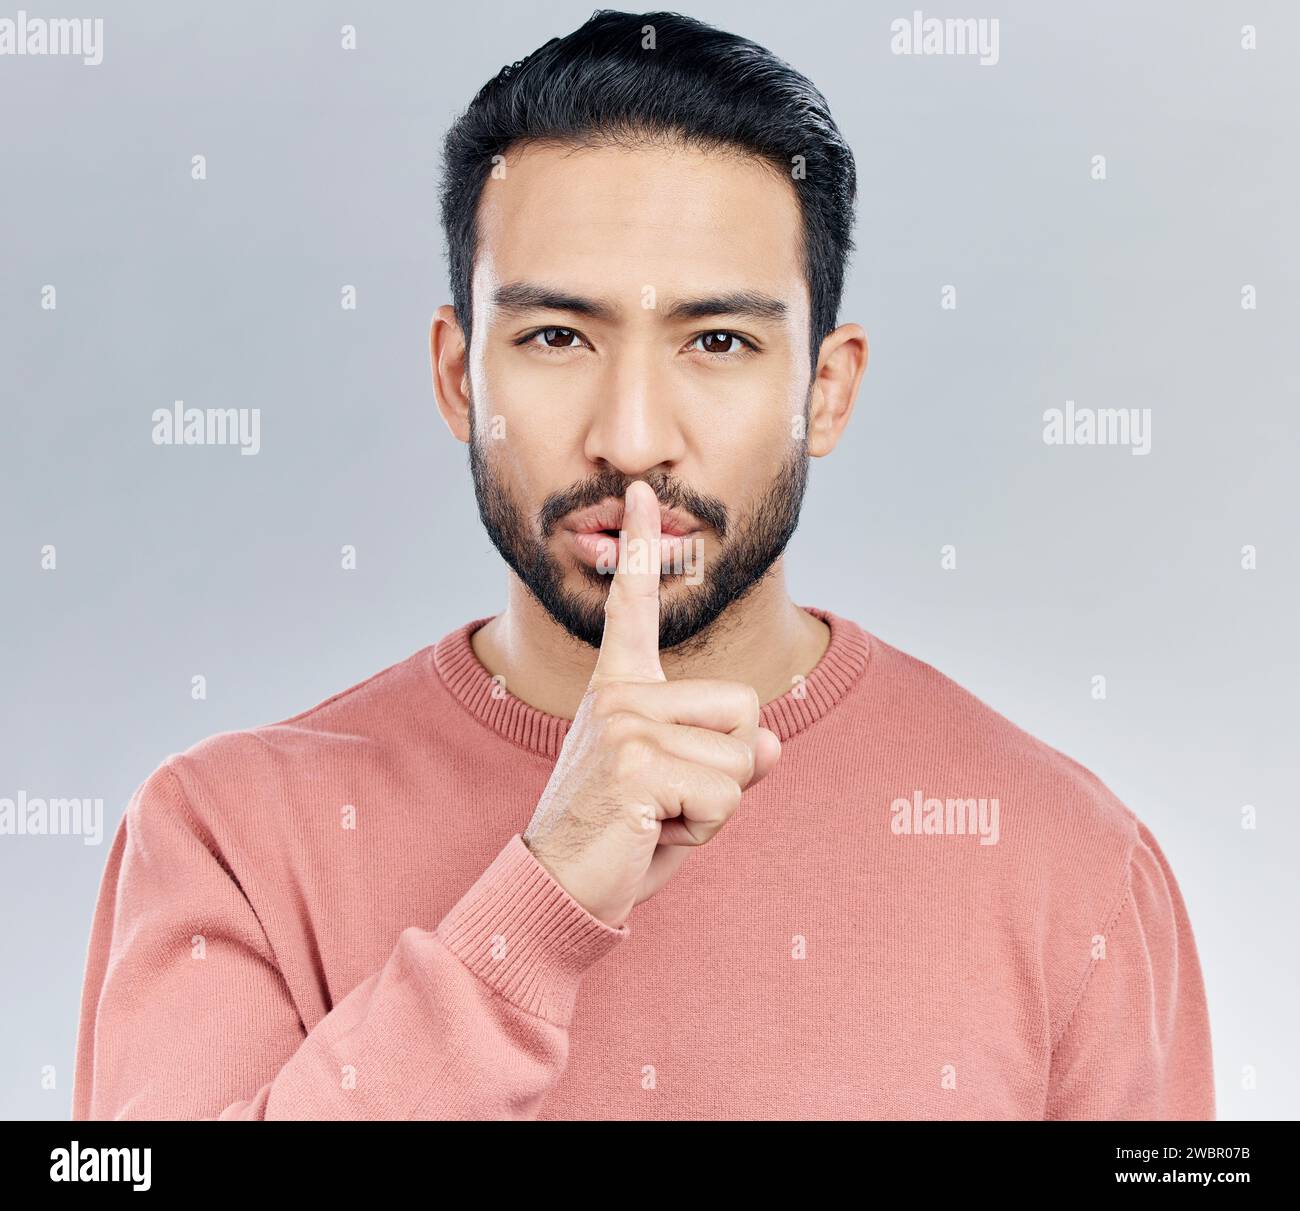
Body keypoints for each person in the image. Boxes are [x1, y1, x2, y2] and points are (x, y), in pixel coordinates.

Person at [73, 9, 1214, 1120]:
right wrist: (548, 891)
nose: (630, 436)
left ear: (826, 389)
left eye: (718, 342)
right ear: (460, 377)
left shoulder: (1070, 861)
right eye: (556, 337)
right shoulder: (226, 835)